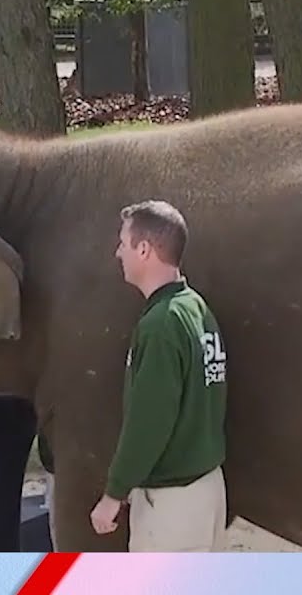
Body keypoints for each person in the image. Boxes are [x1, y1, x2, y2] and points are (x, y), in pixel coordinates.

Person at [90, 199, 229, 552]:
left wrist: (114, 494)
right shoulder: (196, 308)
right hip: (207, 491)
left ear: (144, 249)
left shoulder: (161, 325)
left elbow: (148, 422)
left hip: (172, 507)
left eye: (123, 243)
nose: (117, 252)